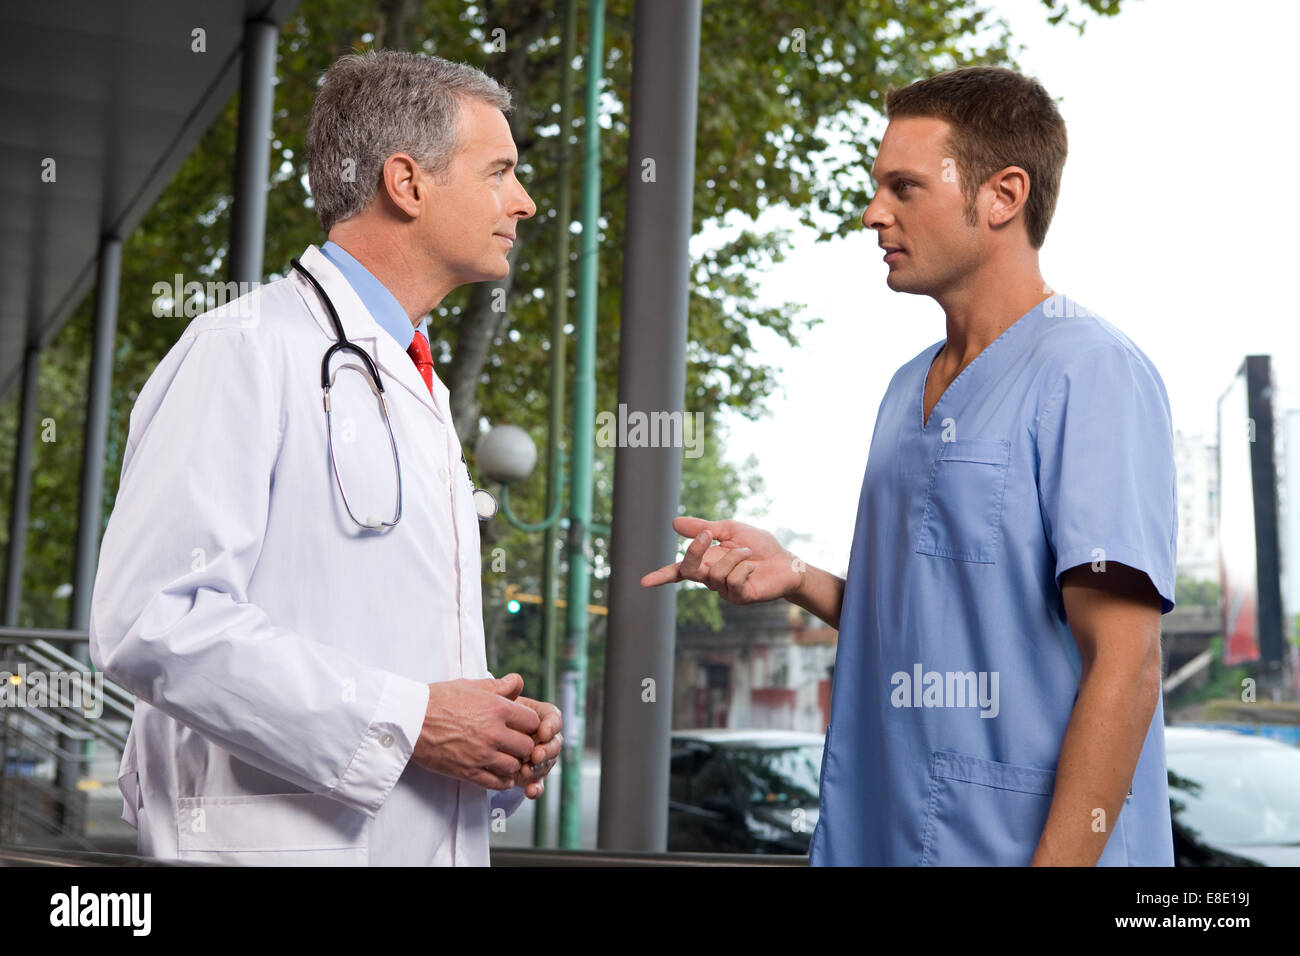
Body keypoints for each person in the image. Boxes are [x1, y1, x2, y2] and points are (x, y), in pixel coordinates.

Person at [642, 66, 1177, 866]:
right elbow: (935, 625)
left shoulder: (1090, 374)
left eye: (904, 187)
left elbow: (1127, 664)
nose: (873, 213)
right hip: (880, 833)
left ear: (1002, 196)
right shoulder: (904, 392)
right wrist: (797, 578)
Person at [89, 50, 560, 866]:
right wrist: (409, 720)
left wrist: (494, 741)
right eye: (499, 172)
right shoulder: (243, 349)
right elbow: (153, 621)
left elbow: (395, 663)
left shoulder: (411, 382)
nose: (521, 202)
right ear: (407, 184)